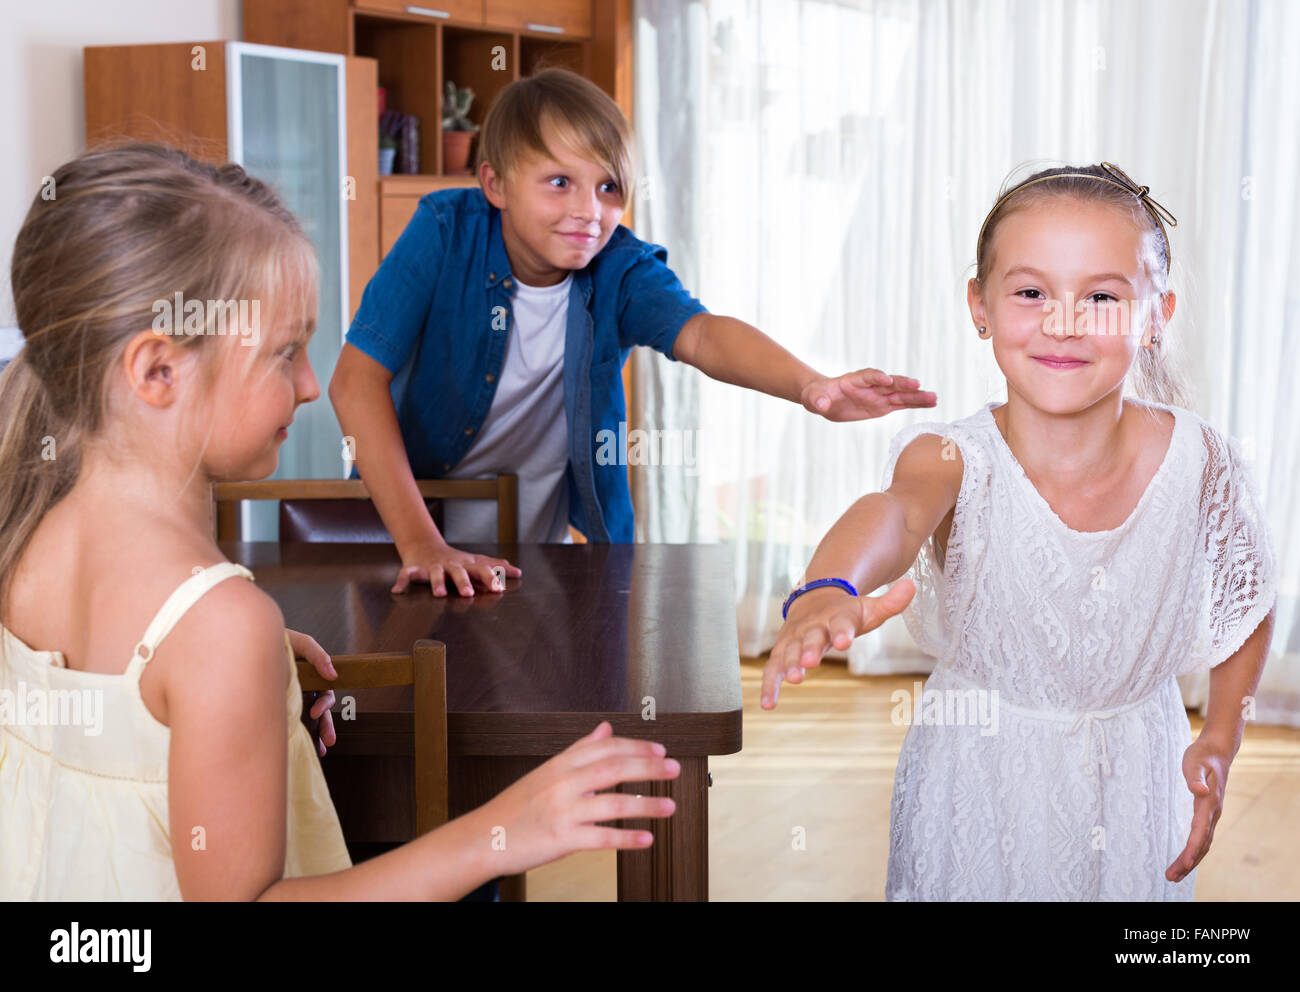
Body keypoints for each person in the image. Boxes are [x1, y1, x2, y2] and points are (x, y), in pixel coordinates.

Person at [0, 143, 679, 900]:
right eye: (285, 352)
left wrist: (240, 683)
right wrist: (499, 832)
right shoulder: (218, 628)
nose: (311, 385)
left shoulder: (29, 536)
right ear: (158, 370)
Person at [762, 162, 1276, 900]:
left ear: (1156, 315)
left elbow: (1248, 604)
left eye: (1101, 296)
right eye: (1032, 292)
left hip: (1138, 779)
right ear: (981, 306)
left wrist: (1220, 739)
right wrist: (827, 588)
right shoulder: (948, 457)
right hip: (976, 775)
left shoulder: (1203, 462)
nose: (1063, 322)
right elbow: (897, 513)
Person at [332, 68, 937, 599]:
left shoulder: (620, 269)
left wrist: (810, 385)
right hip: (405, 532)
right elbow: (355, 382)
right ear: (495, 186)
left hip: (529, 548)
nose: (588, 211)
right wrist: (422, 545)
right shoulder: (444, 230)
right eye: (558, 182)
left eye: (608, 187)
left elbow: (703, 335)